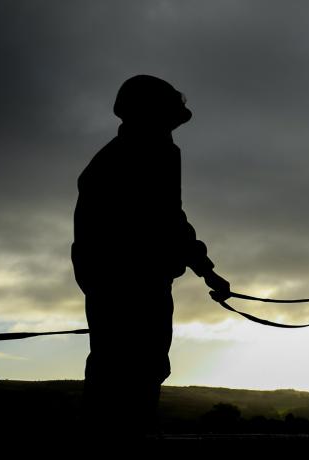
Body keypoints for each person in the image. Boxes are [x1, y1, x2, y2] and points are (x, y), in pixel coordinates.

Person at [72, 74, 230, 437]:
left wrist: (205, 270)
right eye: (169, 121)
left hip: (130, 287)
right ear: (149, 116)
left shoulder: (142, 153)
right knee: (128, 376)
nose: (173, 130)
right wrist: (204, 271)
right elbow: (166, 219)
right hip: (131, 289)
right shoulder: (139, 157)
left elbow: (171, 219)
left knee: (131, 373)